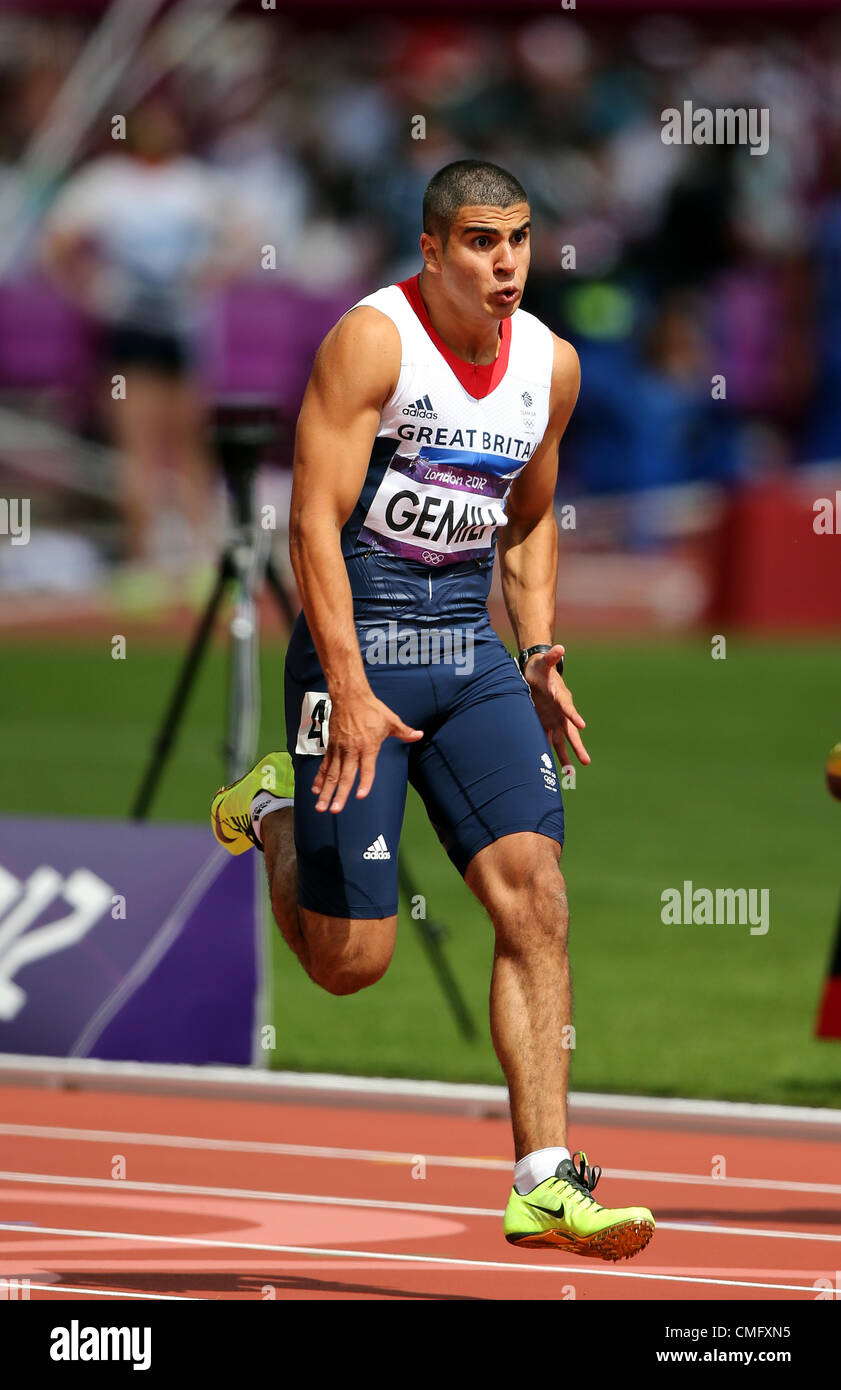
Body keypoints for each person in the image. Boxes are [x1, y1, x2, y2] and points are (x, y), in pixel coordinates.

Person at [211, 160, 654, 1261]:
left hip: (468, 645)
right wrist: (345, 686)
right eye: (478, 241)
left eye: (518, 239)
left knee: (535, 897)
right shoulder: (372, 342)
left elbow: (531, 515)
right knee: (351, 961)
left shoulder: (550, 364)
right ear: (431, 251)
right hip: (355, 640)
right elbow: (312, 521)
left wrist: (541, 644)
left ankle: (544, 1178)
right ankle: (274, 813)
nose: (505, 262)